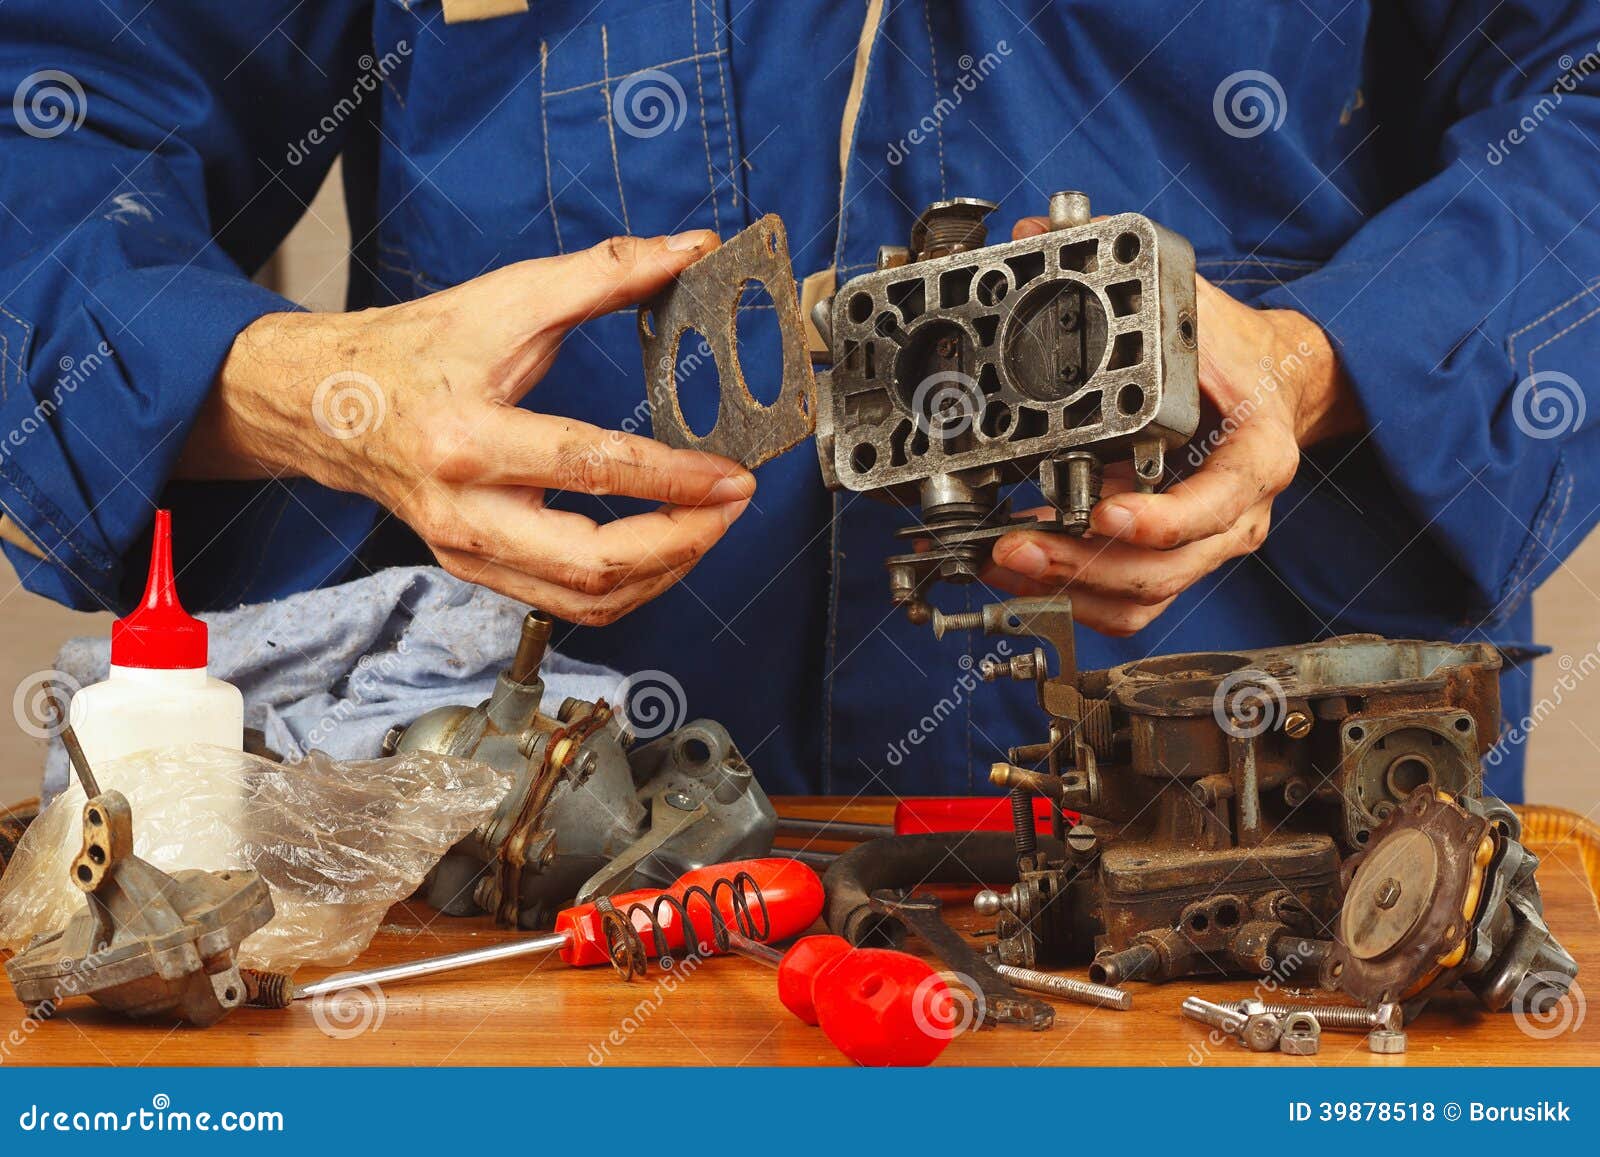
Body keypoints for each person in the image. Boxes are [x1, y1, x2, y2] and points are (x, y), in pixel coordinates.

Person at [1, 2, 1594, 800]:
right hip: (507, 836)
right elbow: (53, 121)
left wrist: (1322, 363)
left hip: (1258, 807)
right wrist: (318, 392)